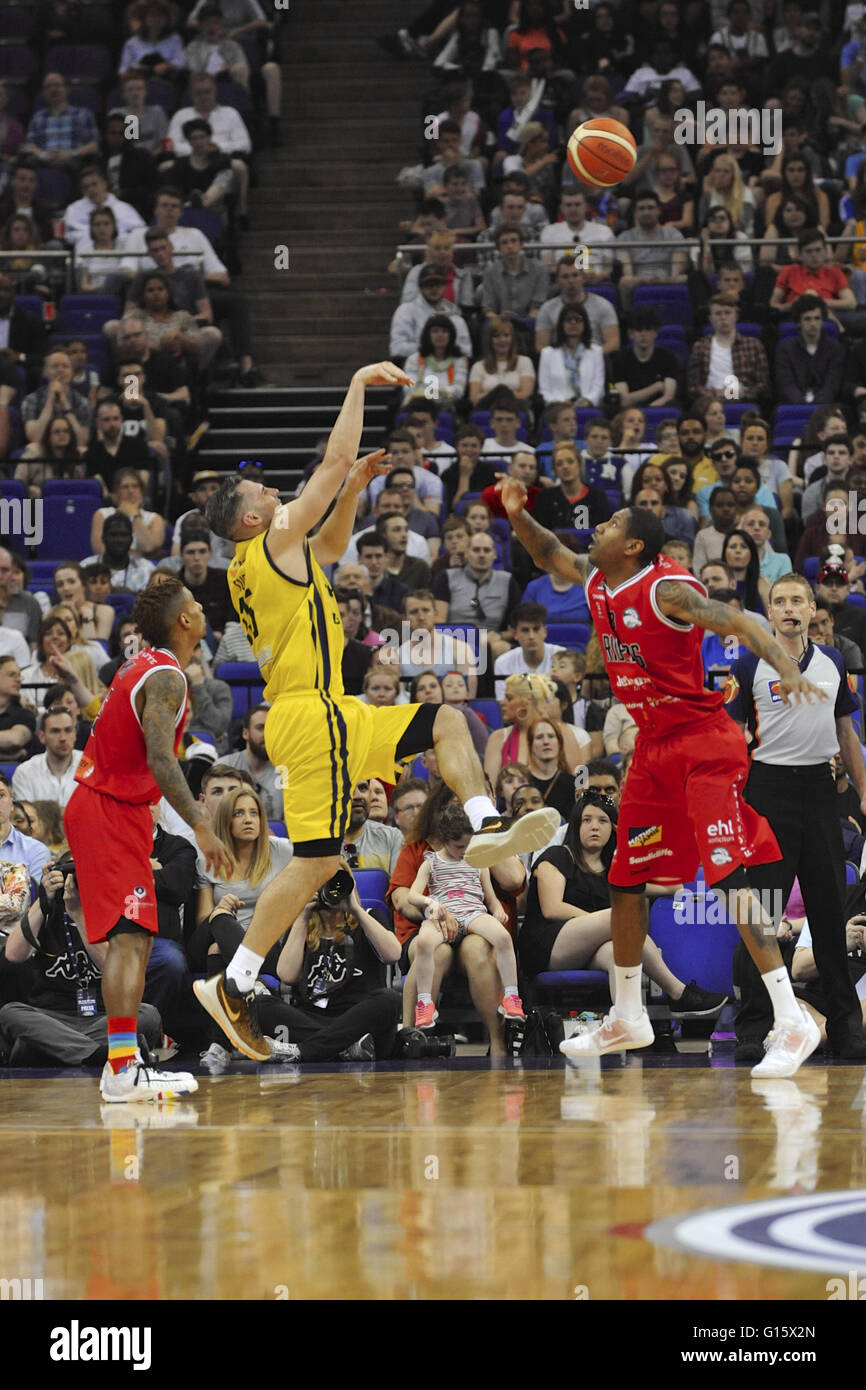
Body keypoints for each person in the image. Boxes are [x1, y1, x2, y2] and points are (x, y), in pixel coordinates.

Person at [196, 363, 560, 1060]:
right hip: (314, 716)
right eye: (265, 493)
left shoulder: (264, 559)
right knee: (314, 862)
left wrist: (356, 490)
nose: (277, 494)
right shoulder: (266, 540)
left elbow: (330, 543)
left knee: (446, 717)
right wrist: (362, 383)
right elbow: (331, 460)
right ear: (249, 516)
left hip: (333, 713)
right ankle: (235, 981)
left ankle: (485, 828)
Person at [500, 477, 828, 1077]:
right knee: (627, 879)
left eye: (611, 524)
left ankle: (791, 1017)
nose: (597, 526)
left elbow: (740, 620)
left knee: (730, 877)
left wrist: (786, 666)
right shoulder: (597, 578)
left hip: (705, 744)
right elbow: (548, 553)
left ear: (632, 546)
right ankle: (628, 1013)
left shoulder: (668, 590)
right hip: (652, 750)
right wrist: (518, 515)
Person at [61, 576, 230, 1101]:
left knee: (133, 939)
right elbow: (161, 757)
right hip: (109, 808)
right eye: (197, 606)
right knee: (130, 939)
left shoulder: (141, 667)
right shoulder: (166, 677)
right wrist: (202, 824)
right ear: (184, 621)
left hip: (111, 807)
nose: (203, 611)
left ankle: (123, 1065)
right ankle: (122, 1069)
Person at [725, 574, 866, 1060]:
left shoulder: (832, 661)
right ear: (769, 612)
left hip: (820, 794)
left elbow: (847, 732)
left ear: (811, 610)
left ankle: (848, 1030)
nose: (788, 609)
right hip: (766, 791)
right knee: (761, 914)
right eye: (779, 601)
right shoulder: (747, 665)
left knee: (828, 915)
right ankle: (752, 1028)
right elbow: (730, 738)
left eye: (797, 601)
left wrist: (864, 793)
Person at [520, 790, 728, 1015]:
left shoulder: (614, 870)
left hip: (589, 948)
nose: (595, 827)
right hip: (547, 946)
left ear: (613, 828)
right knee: (622, 916)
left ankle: (628, 1024)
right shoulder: (558, 855)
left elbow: (665, 886)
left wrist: (633, 844)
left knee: (616, 954)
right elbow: (552, 908)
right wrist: (606, 925)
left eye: (603, 821)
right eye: (587, 820)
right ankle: (678, 992)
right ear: (576, 825)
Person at [405, 800, 526, 1030]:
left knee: (503, 937)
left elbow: (489, 896)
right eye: (459, 847)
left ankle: (512, 996)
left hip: (472, 912)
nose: (465, 851)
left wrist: (498, 910)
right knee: (423, 943)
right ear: (445, 839)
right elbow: (412, 895)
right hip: (443, 916)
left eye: (469, 845)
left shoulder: (478, 860)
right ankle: (425, 1003)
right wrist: (430, 903)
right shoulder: (431, 862)